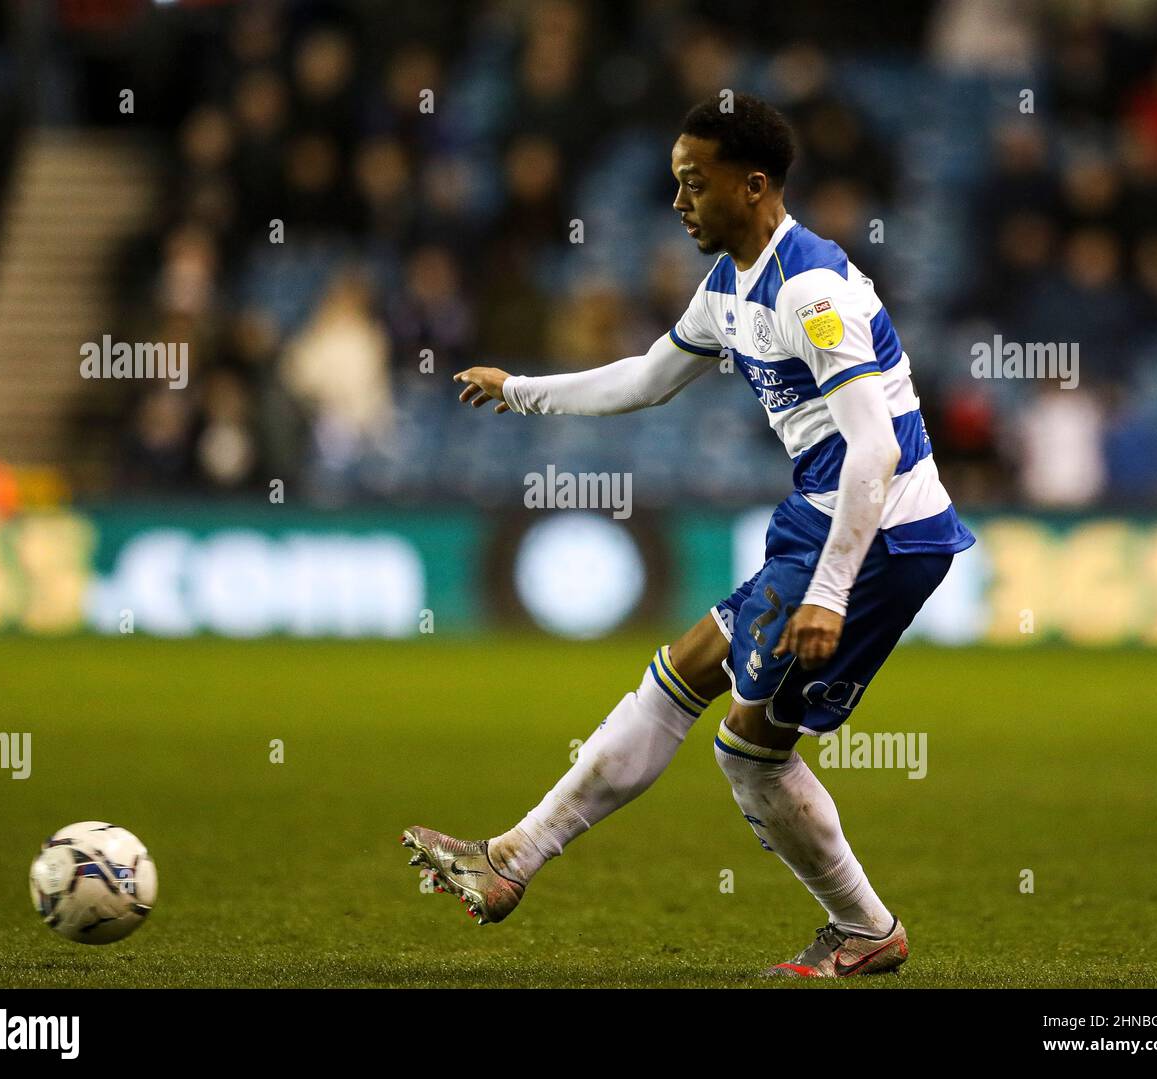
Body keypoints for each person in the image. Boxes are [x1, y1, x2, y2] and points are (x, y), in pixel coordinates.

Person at [403, 94, 974, 978]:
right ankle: (511, 857)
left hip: (881, 532)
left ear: (751, 186)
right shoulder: (730, 287)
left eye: (692, 183)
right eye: (676, 183)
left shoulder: (811, 291)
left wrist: (828, 591)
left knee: (749, 752)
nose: (678, 202)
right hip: (818, 518)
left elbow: (877, 444)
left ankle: (865, 929)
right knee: (679, 675)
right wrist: (520, 390)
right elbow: (644, 379)